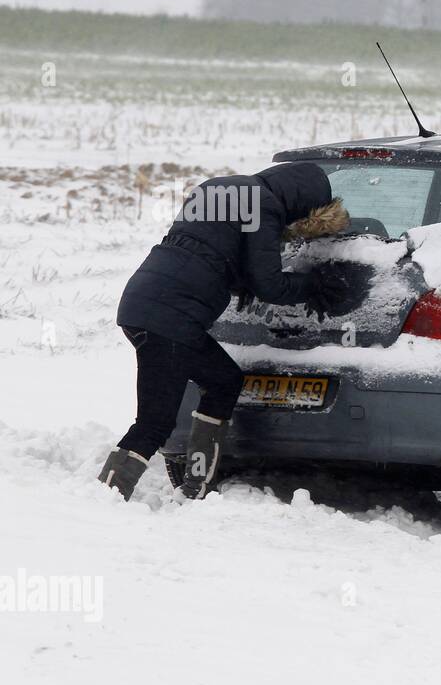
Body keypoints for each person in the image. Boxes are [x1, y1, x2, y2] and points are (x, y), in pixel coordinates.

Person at [98, 162, 350, 501]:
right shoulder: (265, 205)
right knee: (154, 423)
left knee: (224, 380)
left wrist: (239, 278)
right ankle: (106, 495)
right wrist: (312, 286)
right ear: (304, 201)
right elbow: (270, 285)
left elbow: (211, 250)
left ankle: (197, 487)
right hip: (172, 318)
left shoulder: (218, 187)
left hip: (143, 301)